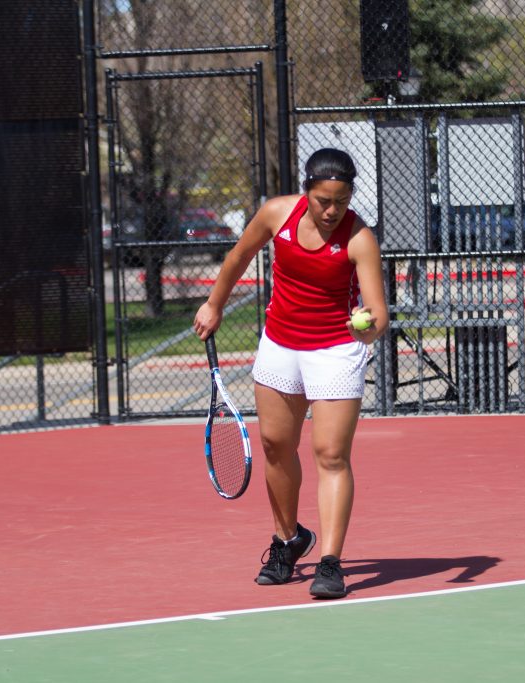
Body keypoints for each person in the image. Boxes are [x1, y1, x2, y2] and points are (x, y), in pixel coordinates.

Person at [193, 148, 387, 599]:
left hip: (336, 351)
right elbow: (240, 256)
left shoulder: (359, 239)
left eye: (340, 201)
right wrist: (214, 304)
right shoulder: (276, 214)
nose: (330, 210)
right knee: (275, 446)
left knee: (330, 453)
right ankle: (288, 541)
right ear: (307, 192)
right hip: (280, 344)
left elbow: (379, 315)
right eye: (322, 200)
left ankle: (331, 562)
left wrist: (368, 327)